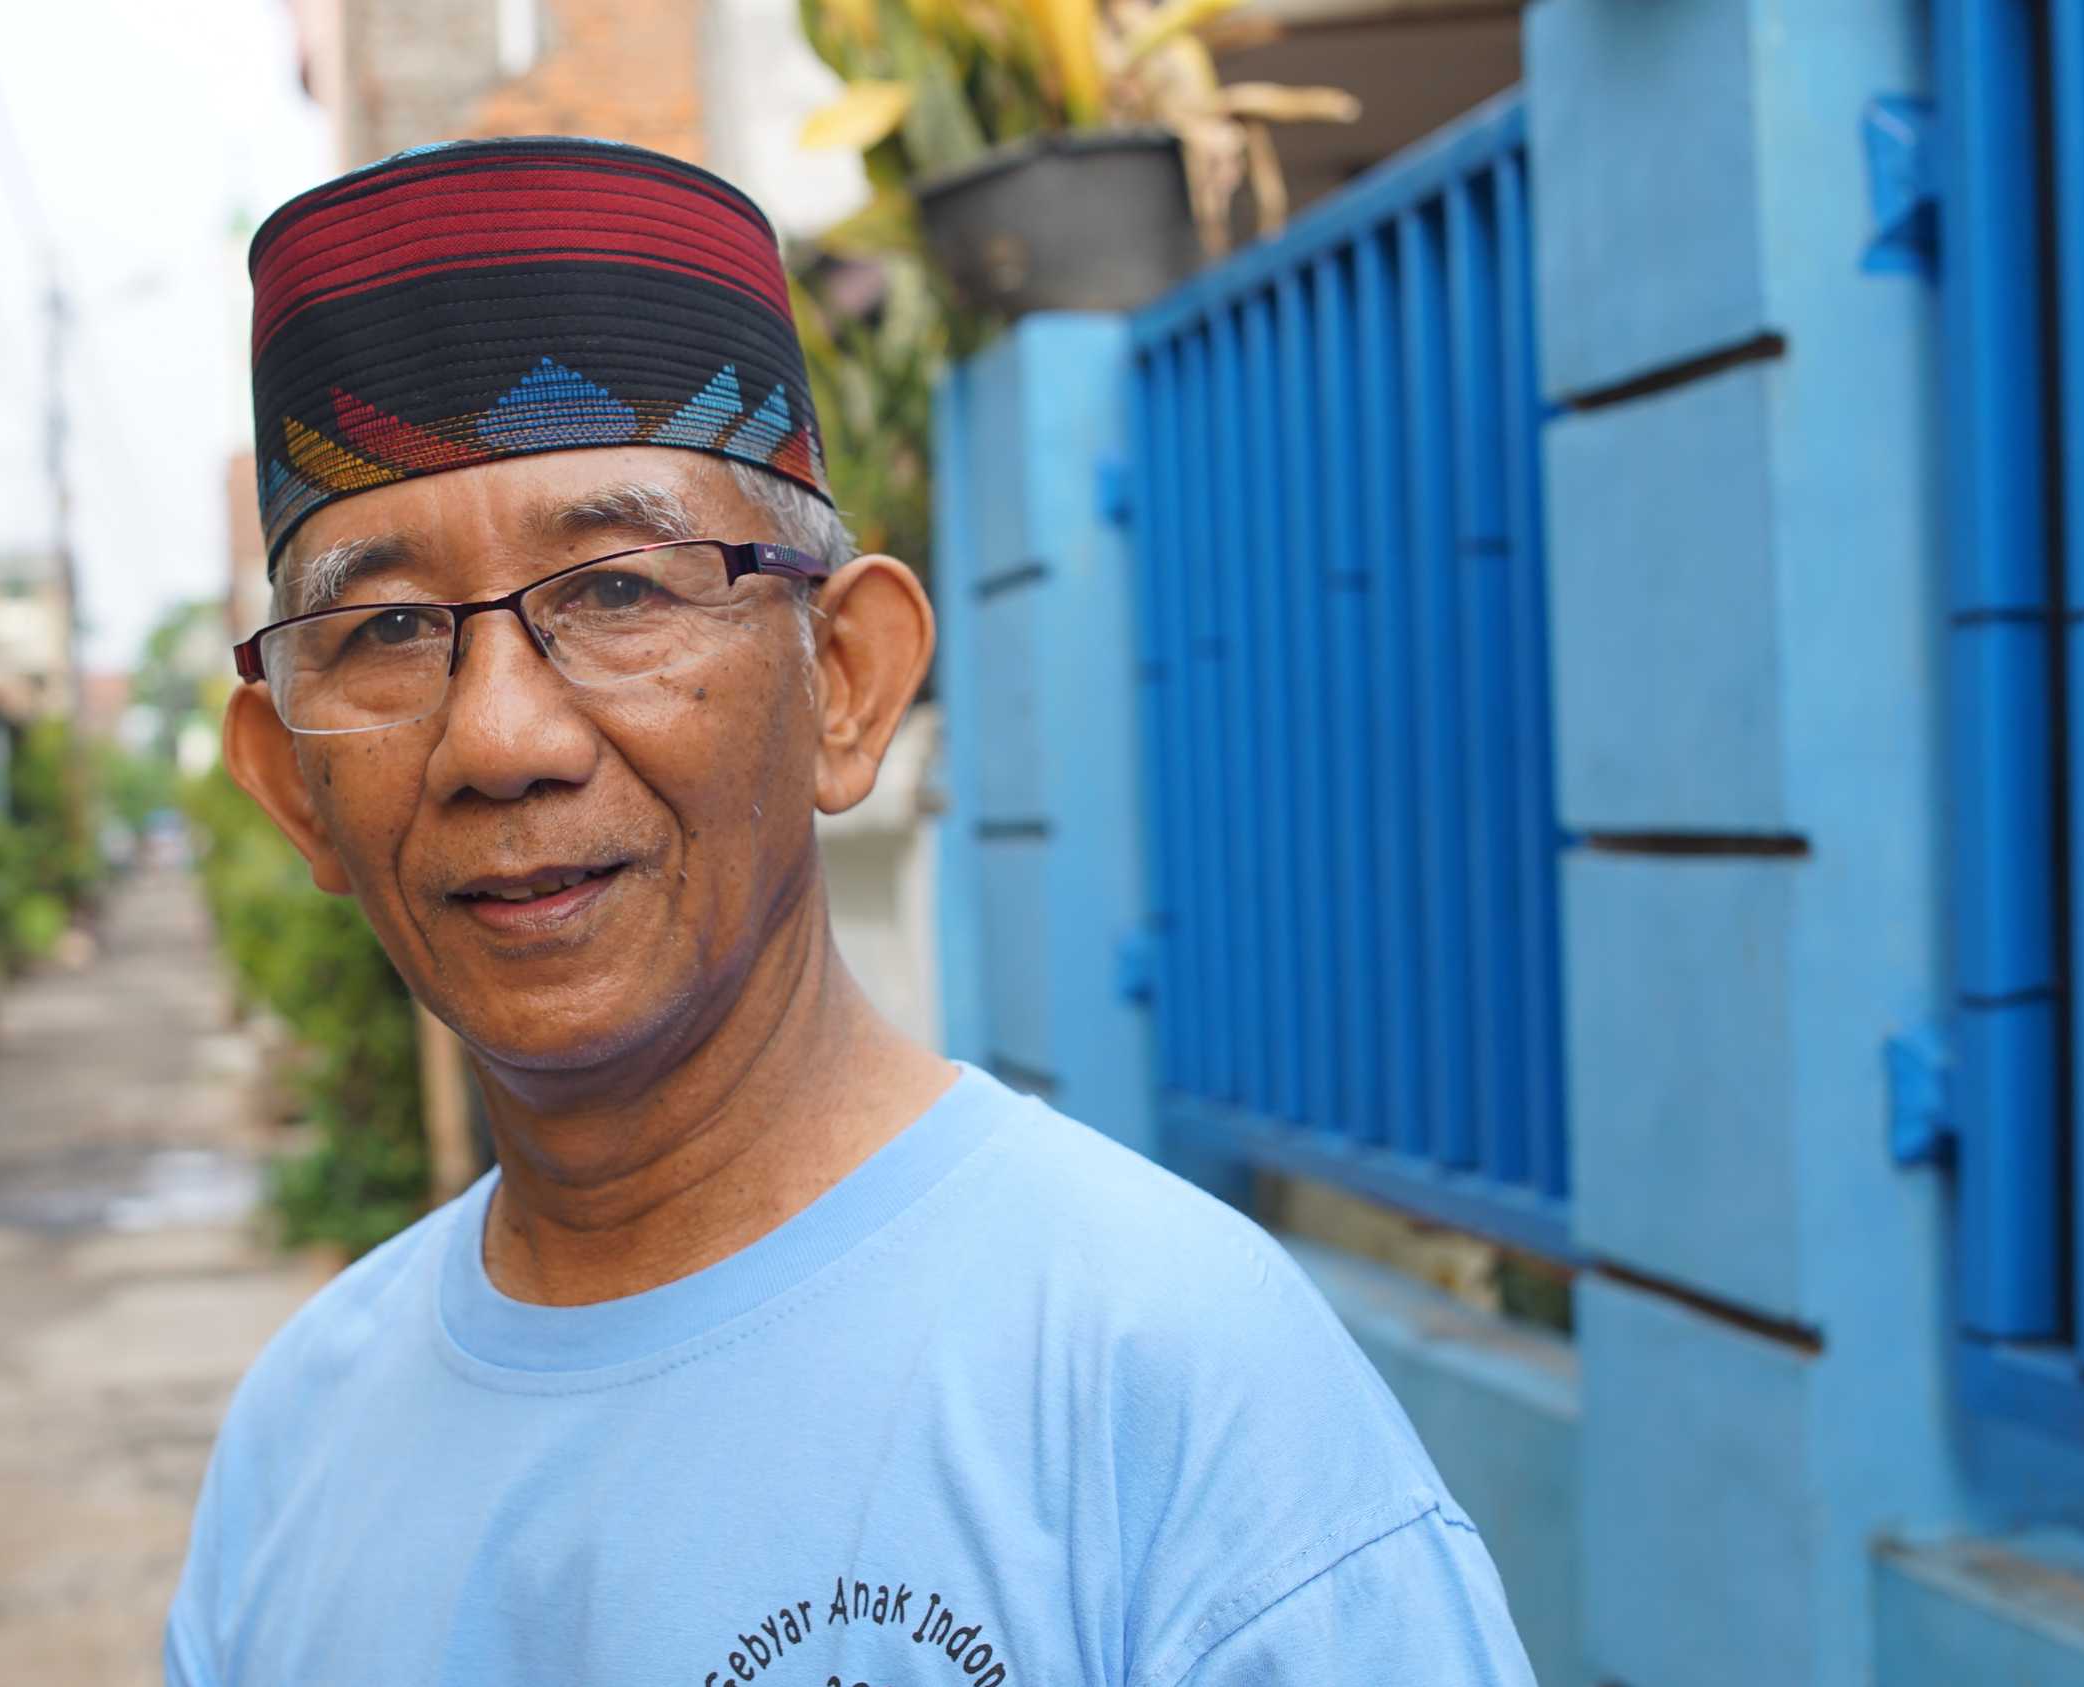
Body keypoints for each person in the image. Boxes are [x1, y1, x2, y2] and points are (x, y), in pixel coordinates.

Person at [171, 135, 1536, 1685]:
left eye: (619, 589)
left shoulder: (1167, 1388)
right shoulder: (298, 1447)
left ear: (847, 680)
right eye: (387, 629)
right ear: (292, 787)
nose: (500, 738)